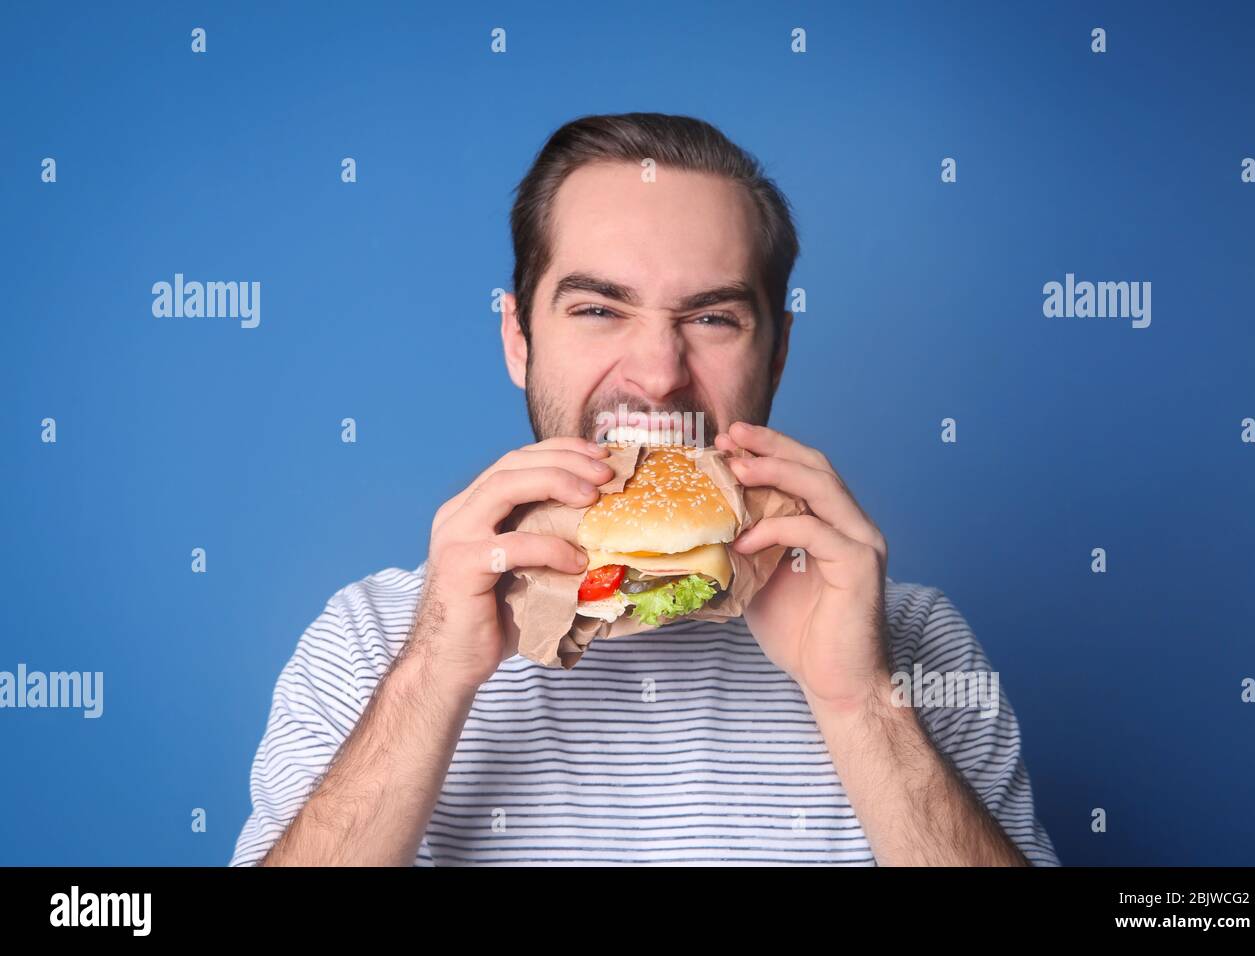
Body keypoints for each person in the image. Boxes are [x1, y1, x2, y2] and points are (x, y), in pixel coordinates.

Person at [230, 112, 1059, 866]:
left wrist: (863, 706)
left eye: (712, 318)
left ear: (776, 356)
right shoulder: (374, 641)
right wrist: (429, 678)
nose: (660, 377)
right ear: (519, 340)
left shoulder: (911, 642)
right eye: (597, 309)